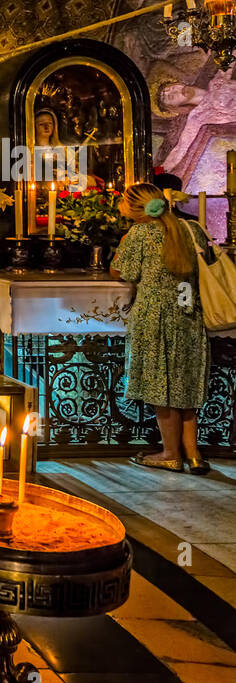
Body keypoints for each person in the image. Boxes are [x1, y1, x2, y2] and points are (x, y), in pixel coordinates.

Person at [110, 183, 212, 474]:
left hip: (155, 318)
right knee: (185, 386)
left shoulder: (139, 234)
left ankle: (169, 453)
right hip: (189, 314)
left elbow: (122, 271)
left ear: (134, 207)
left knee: (162, 388)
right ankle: (193, 455)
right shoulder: (191, 229)